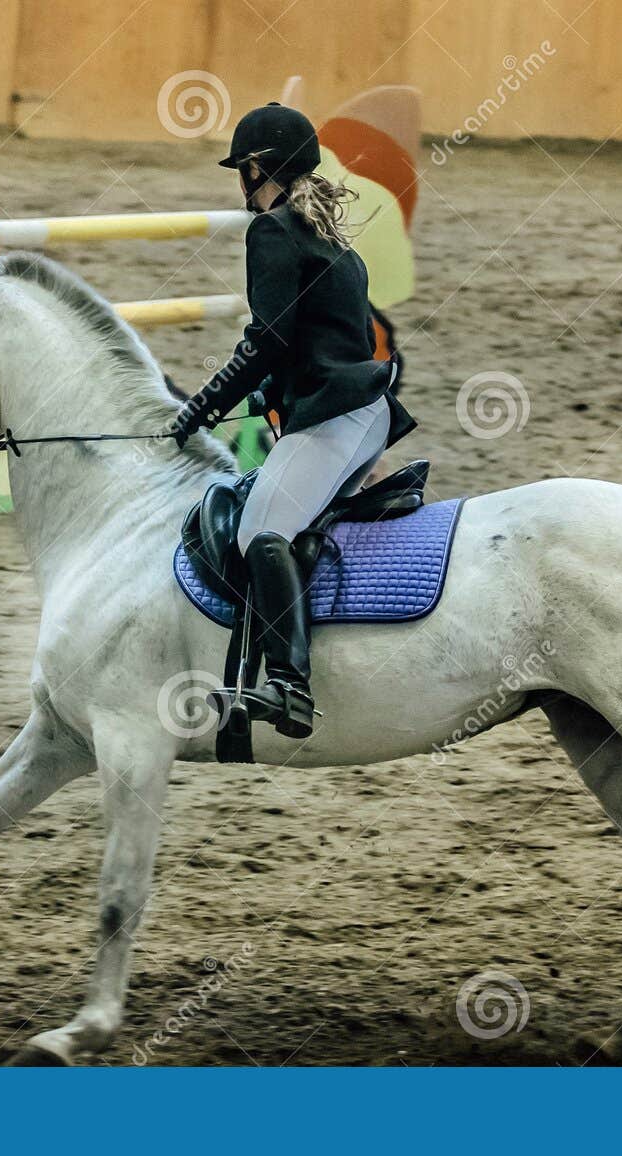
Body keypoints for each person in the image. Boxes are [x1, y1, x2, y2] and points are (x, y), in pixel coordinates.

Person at [169, 102, 415, 740]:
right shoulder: (329, 235)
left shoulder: (273, 231)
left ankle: (290, 686)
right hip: (366, 414)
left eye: (243, 170)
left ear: (260, 168)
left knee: (259, 531)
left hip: (336, 416)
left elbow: (266, 341)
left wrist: (202, 407)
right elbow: (325, 339)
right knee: (291, 519)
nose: (241, 184)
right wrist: (271, 401)